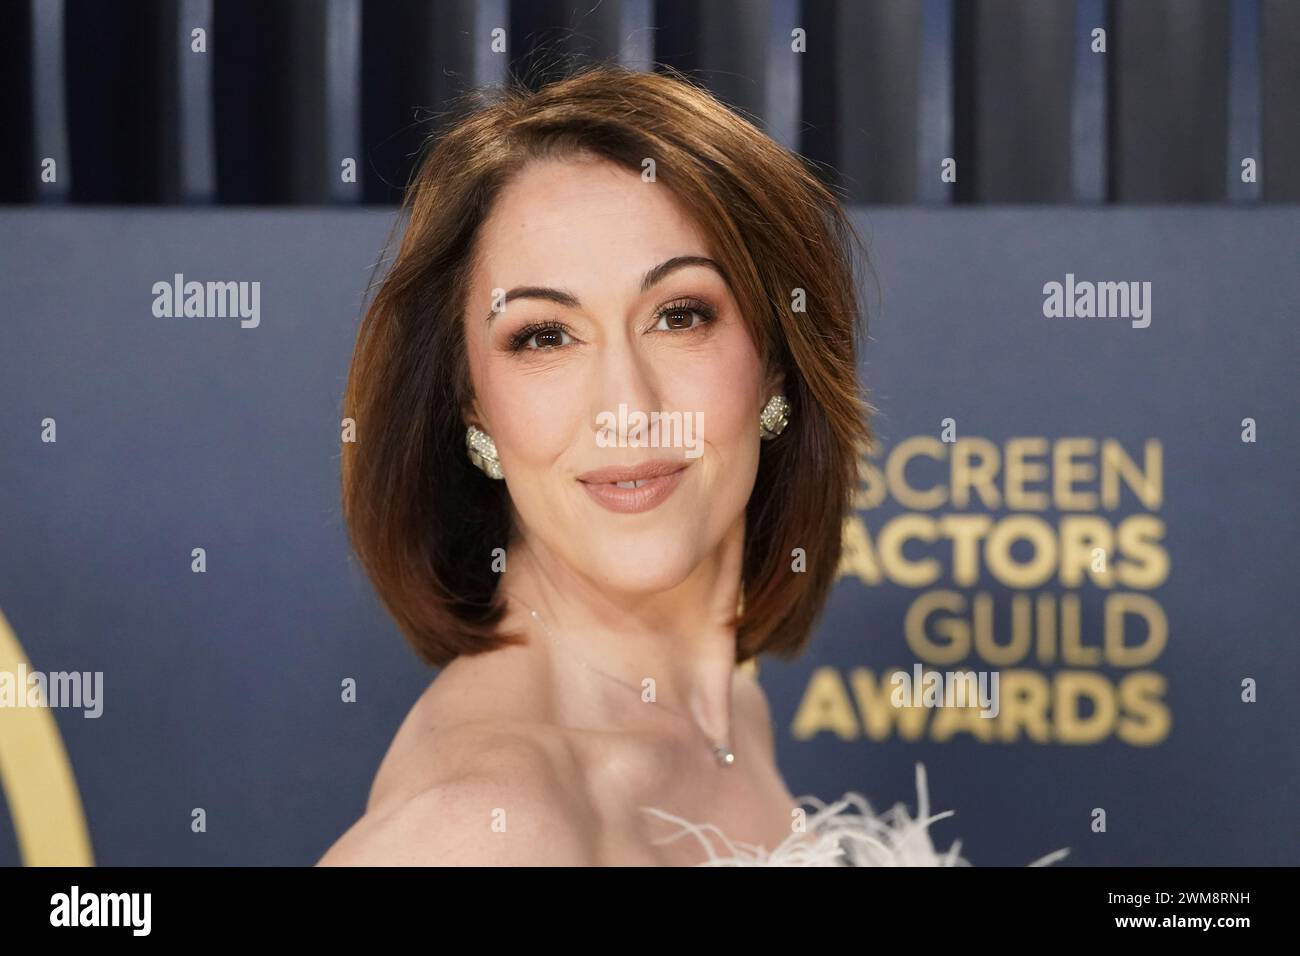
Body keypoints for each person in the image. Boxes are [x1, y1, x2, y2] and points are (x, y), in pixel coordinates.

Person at [316, 64, 1063, 867]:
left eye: (680, 316)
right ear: (472, 407)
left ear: (778, 358)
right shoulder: (487, 824)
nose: (628, 406)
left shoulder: (726, 712)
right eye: (543, 335)